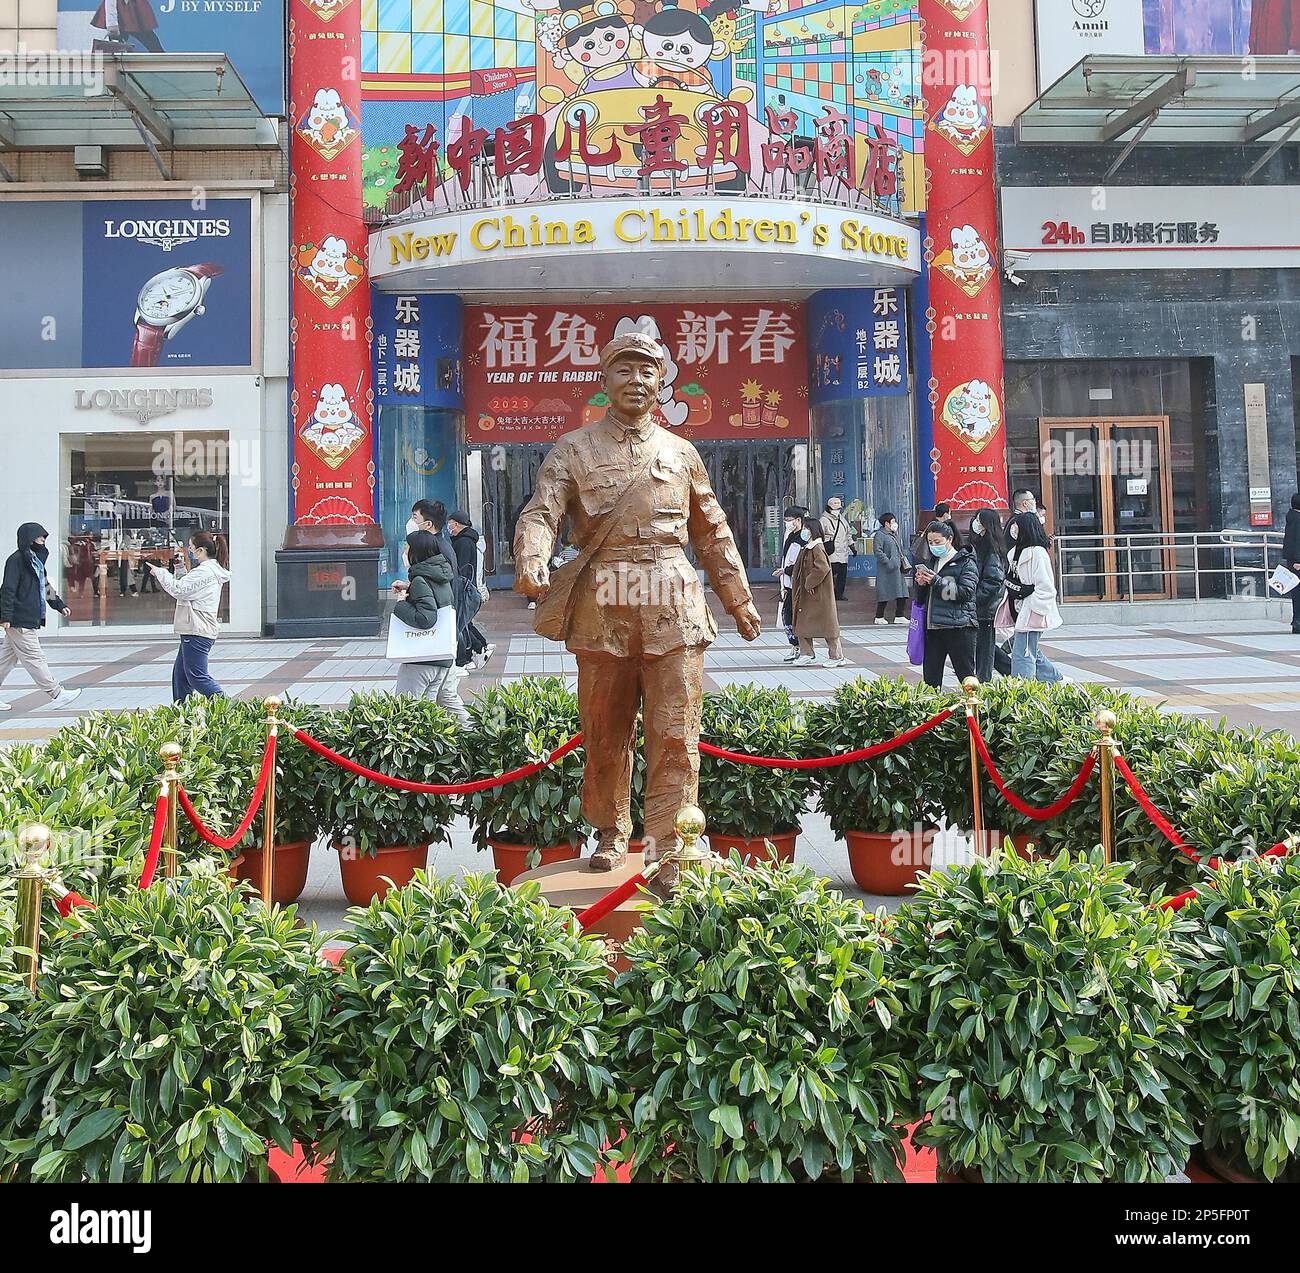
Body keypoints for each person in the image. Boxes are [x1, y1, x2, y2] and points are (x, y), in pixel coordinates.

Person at [512, 332, 761, 878]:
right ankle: (610, 830)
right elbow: (541, 512)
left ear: (660, 382)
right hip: (605, 602)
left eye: (647, 371)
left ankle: (671, 847)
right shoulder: (573, 450)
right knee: (604, 730)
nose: (636, 381)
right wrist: (532, 559)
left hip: (671, 597)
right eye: (624, 370)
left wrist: (737, 599)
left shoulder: (681, 453)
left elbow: (712, 529)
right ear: (605, 380)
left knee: (676, 731)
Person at [0, 523, 81, 711]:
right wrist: (5, 616)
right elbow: (8, 589)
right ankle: (56, 693)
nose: (44, 539)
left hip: (27, 618)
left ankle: (57, 693)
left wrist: (59, 605)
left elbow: (45, 586)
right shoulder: (16, 560)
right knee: (34, 657)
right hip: (20, 619)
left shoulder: (35, 560)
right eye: (40, 536)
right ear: (29, 538)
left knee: (5, 660)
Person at [149, 530, 230, 702]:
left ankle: (228, 707)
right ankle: (182, 714)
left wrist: (161, 573)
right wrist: (179, 569)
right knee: (181, 677)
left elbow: (179, 590)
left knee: (196, 677)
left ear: (201, 550)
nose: (189, 552)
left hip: (197, 630)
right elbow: (186, 586)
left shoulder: (204, 572)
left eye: (191, 548)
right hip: (196, 628)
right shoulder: (209, 570)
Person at [391, 530, 462, 708]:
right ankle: (475, 733)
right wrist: (409, 587)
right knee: (436, 709)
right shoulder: (439, 573)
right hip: (442, 655)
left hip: (423, 659)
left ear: (416, 551)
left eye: (407, 547)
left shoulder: (420, 580)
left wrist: (400, 604)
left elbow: (426, 618)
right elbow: (436, 598)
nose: (404, 551)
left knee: (407, 710)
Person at [912, 519, 978, 689]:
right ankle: (934, 714)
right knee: (931, 682)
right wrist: (921, 584)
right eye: (930, 542)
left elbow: (965, 593)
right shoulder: (931, 562)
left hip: (959, 628)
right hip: (933, 629)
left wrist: (936, 581)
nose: (934, 546)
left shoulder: (965, 561)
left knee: (967, 679)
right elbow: (921, 598)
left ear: (949, 539)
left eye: (938, 542)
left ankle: (973, 713)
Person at [1006, 511, 1064, 683]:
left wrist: (1036, 609)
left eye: (1017, 526)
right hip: (1019, 607)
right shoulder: (1015, 552)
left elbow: (1046, 587)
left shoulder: (1037, 553)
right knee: (1030, 649)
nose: (1013, 529)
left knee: (1022, 652)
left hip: (1031, 609)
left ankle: (1023, 689)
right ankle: (1055, 679)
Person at [791, 515, 847, 667]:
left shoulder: (817, 548)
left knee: (827, 625)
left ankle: (836, 656)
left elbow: (822, 568)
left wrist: (809, 583)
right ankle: (807, 653)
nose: (803, 531)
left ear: (812, 531)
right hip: (807, 595)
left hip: (818, 594)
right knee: (802, 623)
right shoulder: (808, 547)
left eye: (805, 529)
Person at [447, 509, 494, 670]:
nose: (449, 526)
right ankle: (480, 647)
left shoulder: (463, 542)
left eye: (450, 523)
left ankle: (473, 652)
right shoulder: (465, 540)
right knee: (465, 622)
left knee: (462, 622)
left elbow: (461, 567)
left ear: (457, 524)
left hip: (463, 588)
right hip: (466, 586)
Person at [969, 506, 1007, 682]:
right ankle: (1014, 672)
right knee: (987, 646)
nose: (975, 523)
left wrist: (975, 600)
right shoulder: (981, 545)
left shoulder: (991, 549)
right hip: (982, 607)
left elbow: (993, 581)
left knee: (984, 648)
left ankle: (983, 682)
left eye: (978, 520)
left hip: (985, 609)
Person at [774, 506, 805, 662]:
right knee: (787, 615)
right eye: (786, 520)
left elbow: (802, 562)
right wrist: (784, 571)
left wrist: (787, 570)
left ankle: (801, 647)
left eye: (789, 520)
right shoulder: (790, 536)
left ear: (798, 520)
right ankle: (795, 646)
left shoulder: (804, 537)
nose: (787, 523)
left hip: (798, 584)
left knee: (795, 616)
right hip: (788, 582)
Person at [873, 511, 910, 624]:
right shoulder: (880, 535)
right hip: (886, 570)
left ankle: (899, 615)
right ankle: (879, 616)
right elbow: (877, 551)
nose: (895, 524)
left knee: (902, 592)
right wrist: (888, 562)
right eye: (893, 522)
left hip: (897, 569)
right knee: (884, 592)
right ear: (886, 523)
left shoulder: (894, 535)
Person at [819, 496, 853, 600]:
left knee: (842, 575)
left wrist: (852, 545)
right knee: (831, 572)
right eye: (834, 509)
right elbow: (820, 535)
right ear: (828, 508)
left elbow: (848, 533)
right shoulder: (823, 520)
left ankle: (839, 594)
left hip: (843, 552)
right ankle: (826, 592)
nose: (836, 511)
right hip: (831, 551)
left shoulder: (842, 519)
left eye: (838, 509)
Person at [1283, 492, 1300, 635]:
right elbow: (1297, 541)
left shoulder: (1291, 517)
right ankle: (1298, 623)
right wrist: (1297, 560)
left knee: (1296, 593)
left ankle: (1297, 623)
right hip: (1297, 562)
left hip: (1292, 561)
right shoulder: (1298, 519)